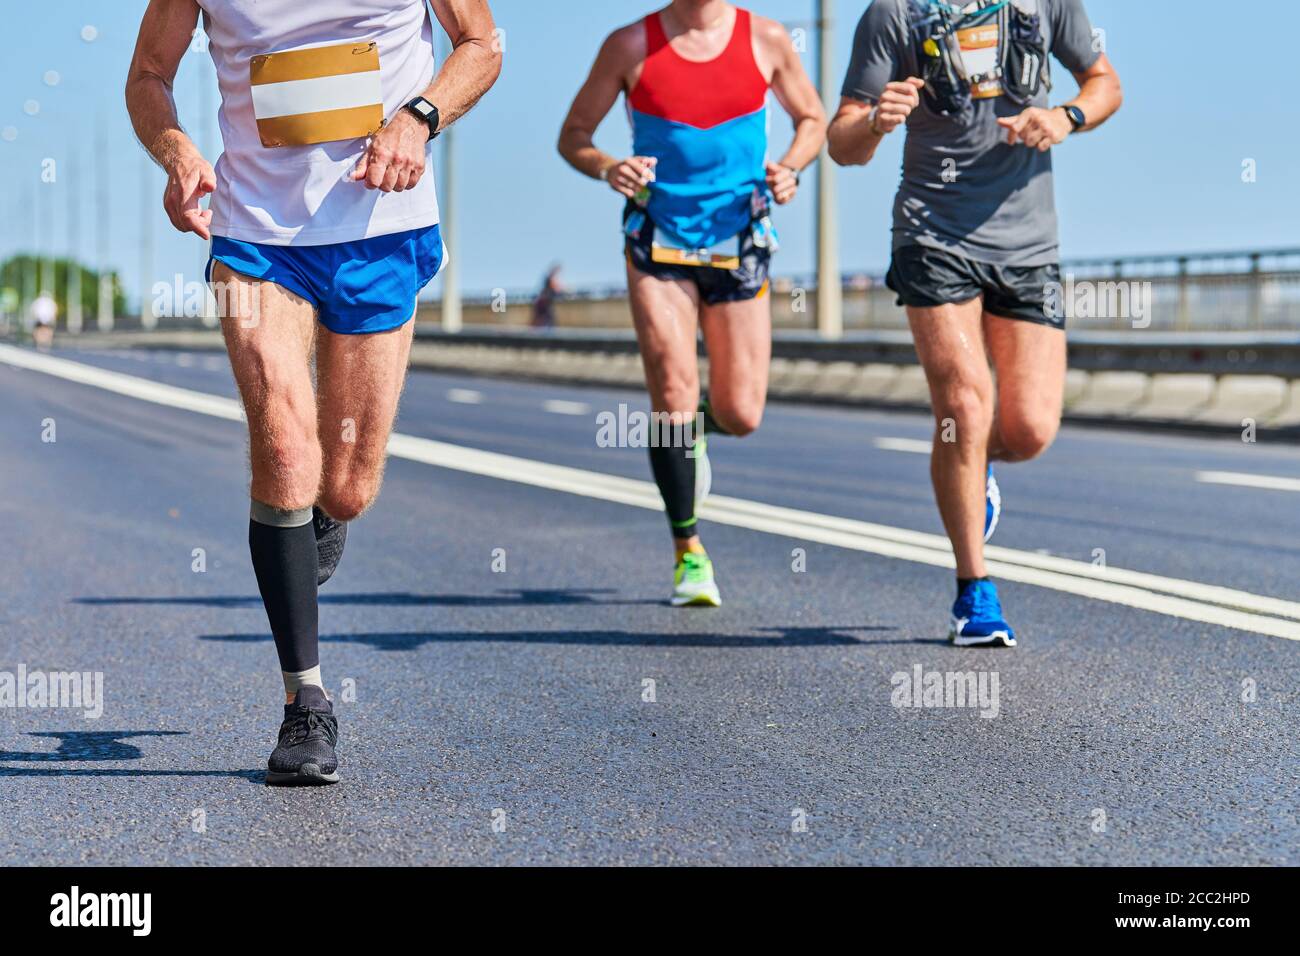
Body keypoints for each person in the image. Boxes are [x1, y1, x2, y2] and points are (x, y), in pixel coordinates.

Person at [126, 0, 501, 784]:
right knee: (284, 449)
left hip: (381, 226)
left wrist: (419, 118)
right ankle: (307, 703)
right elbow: (150, 76)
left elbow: (480, 44)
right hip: (255, 237)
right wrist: (180, 154)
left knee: (347, 485)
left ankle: (315, 519)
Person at [829, 0, 1121, 646]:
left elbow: (1106, 85)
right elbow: (842, 142)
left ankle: (974, 461)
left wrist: (1066, 117)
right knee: (963, 400)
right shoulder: (893, 15)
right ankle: (974, 591)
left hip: (1028, 246)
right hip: (932, 236)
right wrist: (876, 122)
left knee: (1028, 430)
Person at [559, 0, 825, 607]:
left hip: (739, 240)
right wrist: (609, 167)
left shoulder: (767, 38)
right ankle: (689, 552)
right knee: (672, 390)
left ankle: (693, 431)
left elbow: (812, 119)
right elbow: (573, 137)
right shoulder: (630, 45)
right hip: (659, 240)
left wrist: (789, 168)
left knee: (741, 411)